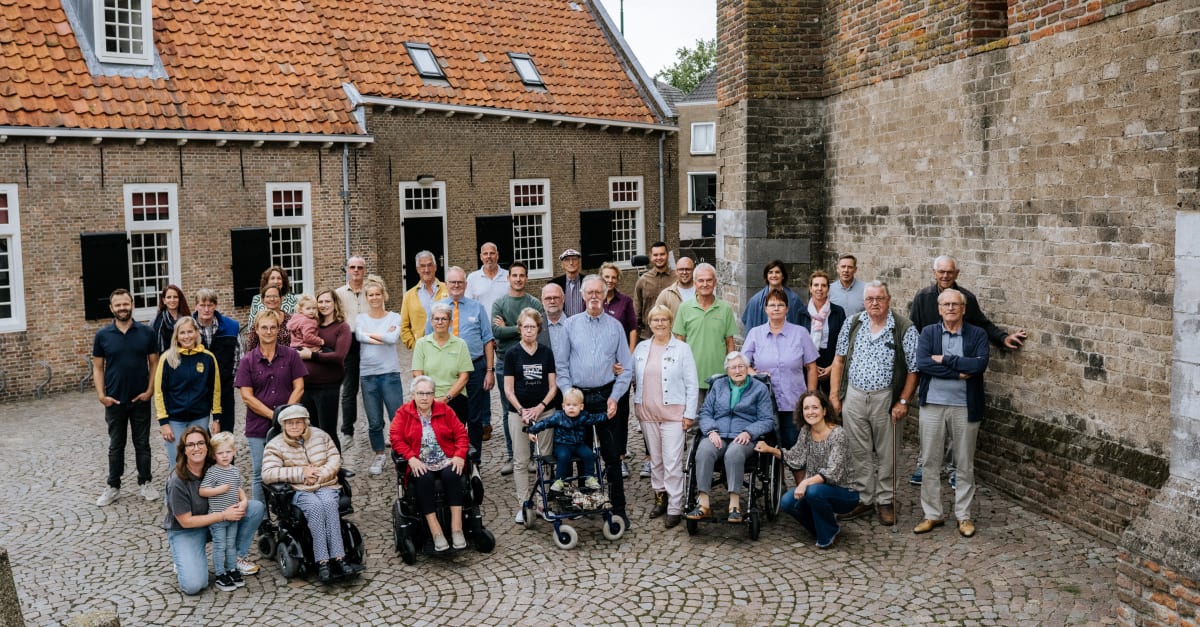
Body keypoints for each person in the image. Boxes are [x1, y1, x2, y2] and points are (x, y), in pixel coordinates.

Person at [906, 254, 1027, 486]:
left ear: (956, 274)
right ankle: (925, 464)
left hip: (957, 371)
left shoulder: (966, 299)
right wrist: (920, 361)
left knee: (956, 427)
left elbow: (982, 324)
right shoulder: (923, 298)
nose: (945, 276)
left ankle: (954, 469)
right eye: (941, 272)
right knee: (930, 426)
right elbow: (914, 331)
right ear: (934, 273)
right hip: (932, 370)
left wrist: (1003, 338)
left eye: (949, 272)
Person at [829, 280, 918, 526]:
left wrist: (903, 400)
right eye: (870, 299)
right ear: (864, 302)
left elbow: (914, 370)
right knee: (859, 451)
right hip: (855, 396)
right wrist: (836, 396)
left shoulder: (903, 328)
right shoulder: (853, 323)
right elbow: (838, 360)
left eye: (879, 298)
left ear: (888, 300)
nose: (874, 303)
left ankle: (886, 499)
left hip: (886, 399)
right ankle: (865, 498)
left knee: (888, 452)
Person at [555, 275, 634, 526]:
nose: (593, 297)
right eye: (589, 292)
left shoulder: (615, 327)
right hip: (577, 400)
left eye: (598, 292)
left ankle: (618, 507)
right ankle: (581, 501)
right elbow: (561, 365)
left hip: (605, 396)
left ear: (604, 293)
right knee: (581, 452)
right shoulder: (570, 325)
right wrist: (569, 394)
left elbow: (627, 368)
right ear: (582, 295)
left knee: (611, 455)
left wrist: (615, 397)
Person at [913, 288, 990, 538]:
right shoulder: (929, 332)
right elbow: (923, 363)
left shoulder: (977, 334)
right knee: (930, 461)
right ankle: (932, 514)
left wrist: (944, 359)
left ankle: (964, 516)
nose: (950, 308)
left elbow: (978, 365)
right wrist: (957, 370)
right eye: (946, 304)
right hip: (932, 404)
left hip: (965, 406)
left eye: (955, 305)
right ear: (939, 308)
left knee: (964, 463)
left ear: (963, 309)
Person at [261, 404, 363, 582]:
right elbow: (268, 473)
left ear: (305, 423)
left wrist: (319, 476)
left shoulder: (320, 436)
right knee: (315, 507)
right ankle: (322, 560)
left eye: (298, 422)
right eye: (289, 423)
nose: (294, 426)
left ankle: (339, 557)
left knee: (330, 505)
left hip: (325, 484)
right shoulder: (274, 445)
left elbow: (334, 458)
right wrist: (301, 474)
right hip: (298, 490)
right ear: (283, 425)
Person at [163, 426, 264, 595]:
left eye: (201, 443)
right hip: (188, 529)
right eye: (191, 445)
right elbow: (185, 521)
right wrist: (223, 515)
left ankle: (235, 557)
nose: (196, 448)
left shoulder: (215, 464)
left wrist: (244, 501)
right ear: (184, 450)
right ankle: (183, 558)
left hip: (218, 521)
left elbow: (235, 487)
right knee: (194, 585)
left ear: (208, 447)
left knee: (255, 508)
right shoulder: (177, 481)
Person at [755, 390, 858, 548]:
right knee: (787, 501)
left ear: (824, 410)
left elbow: (833, 472)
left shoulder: (838, 434)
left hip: (844, 491)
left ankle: (827, 536)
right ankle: (826, 528)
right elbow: (796, 458)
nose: (811, 412)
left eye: (815, 407)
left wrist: (805, 483)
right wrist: (770, 449)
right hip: (816, 488)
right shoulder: (806, 431)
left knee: (813, 492)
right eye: (806, 408)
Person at [684, 352, 775, 523]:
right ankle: (703, 504)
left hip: (743, 437)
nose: (738, 370)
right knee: (703, 451)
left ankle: (734, 505)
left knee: (734, 453)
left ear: (747, 368)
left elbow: (767, 420)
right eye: (733, 367)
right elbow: (705, 413)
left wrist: (749, 432)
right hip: (717, 434)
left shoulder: (759, 389)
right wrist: (711, 431)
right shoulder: (718, 386)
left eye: (741, 366)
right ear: (727, 370)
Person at [632, 304, 698, 529]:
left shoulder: (681, 349)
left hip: (673, 415)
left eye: (664, 320)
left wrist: (690, 414)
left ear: (671, 323)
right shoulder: (641, 348)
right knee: (656, 461)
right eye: (655, 320)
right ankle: (660, 497)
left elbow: (692, 383)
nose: (659, 324)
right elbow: (632, 376)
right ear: (649, 324)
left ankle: (675, 506)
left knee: (672, 462)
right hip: (648, 413)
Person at [93, 288, 160, 506]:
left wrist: (149, 391)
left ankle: (145, 482)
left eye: (126, 304)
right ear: (111, 308)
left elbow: (154, 363)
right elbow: (98, 367)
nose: (123, 308)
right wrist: (101, 395)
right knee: (116, 445)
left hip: (140, 398)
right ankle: (113, 486)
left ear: (132, 304)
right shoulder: (102, 335)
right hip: (114, 400)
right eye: (118, 305)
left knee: (142, 444)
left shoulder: (146, 333)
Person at [391, 375, 470, 552]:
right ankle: (436, 532)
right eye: (420, 393)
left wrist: (458, 455)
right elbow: (396, 438)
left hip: (446, 458)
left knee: (452, 474)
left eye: (428, 393)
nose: (424, 397)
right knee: (423, 479)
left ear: (434, 395)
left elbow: (461, 434)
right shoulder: (403, 413)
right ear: (413, 395)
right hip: (420, 462)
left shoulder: (444, 410)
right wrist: (411, 457)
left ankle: (457, 529)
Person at [234, 309, 306, 502]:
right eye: (264, 327)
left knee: (290, 469)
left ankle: (291, 514)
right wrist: (274, 416)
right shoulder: (247, 361)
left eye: (272, 327)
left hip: (289, 425)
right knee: (260, 473)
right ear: (256, 329)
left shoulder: (291, 355)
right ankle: (263, 520)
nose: (268, 331)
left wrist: (286, 415)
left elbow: (299, 387)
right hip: (258, 427)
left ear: (278, 329)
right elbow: (247, 397)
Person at [428, 267, 496, 468]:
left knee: (474, 417)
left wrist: (490, 371)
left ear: (465, 285)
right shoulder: (437, 309)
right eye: (452, 282)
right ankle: (452, 458)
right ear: (446, 285)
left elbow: (488, 340)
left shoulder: (477, 308)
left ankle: (474, 461)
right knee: (450, 416)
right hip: (448, 371)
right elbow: (427, 339)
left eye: (460, 282)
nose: (456, 286)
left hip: (475, 368)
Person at [742, 288, 819, 450]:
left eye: (780, 304)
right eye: (772, 305)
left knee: (796, 451)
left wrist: (811, 396)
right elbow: (742, 365)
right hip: (763, 404)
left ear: (787, 309)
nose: (776, 308)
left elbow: (812, 367)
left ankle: (802, 477)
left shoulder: (800, 333)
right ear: (765, 309)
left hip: (794, 403)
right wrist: (756, 375)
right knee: (766, 451)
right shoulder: (755, 334)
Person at [502, 308, 558, 523]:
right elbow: (508, 389)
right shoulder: (512, 354)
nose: (529, 330)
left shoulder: (546, 353)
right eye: (525, 326)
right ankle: (524, 504)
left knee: (543, 459)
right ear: (519, 329)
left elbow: (553, 386)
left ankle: (543, 503)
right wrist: (522, 411)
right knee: (521, 460)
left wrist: (540, 407)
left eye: (532, 327)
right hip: (519, 415)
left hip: (545, 413)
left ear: (538, 329)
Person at [491, 262, 544, 475]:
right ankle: (513, 456)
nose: (518, 279)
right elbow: (496, 332)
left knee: (532, 408)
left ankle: (533, 455)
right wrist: (522, 328)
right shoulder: (500, 303)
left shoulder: (533, 302)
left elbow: (538, 329)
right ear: (509, 278)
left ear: (527, 278)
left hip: (531, 361)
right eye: (515, 275)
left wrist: (510, 328)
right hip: (505, 362)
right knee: (509, 411)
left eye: (522, 275)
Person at [356, 275, 405, 475]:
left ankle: (401, 452)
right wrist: (382, 338)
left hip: (389, 373)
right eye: (371, 295)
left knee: (398, 416)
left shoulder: (394, 317)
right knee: (375, 421)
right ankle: (379, 455)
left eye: (377, 294)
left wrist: (371, 337)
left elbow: (393, 338)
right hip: (368, 375)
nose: (375, 298)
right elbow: (359, 336)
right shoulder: (361, 318)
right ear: (366, 297)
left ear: (383, 295)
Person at [153, 317, 219, 466]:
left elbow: (215, 390)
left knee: (199, 462)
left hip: (200, 418)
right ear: (176, 336)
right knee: (177, 463)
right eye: (182, 333)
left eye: (190, 331)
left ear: (196, 333)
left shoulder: (208, 358)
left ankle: (199, 490)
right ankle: (174, 490)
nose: (187, 336)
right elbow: (159, 392)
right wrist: (163, 422)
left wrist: (216, 418)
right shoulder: (167, 358)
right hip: (174, 420)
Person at [412, 303, 474, 458]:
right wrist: (431, 398)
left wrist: (446, 398)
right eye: (436, 319)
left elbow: (464, 376)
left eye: (444, 319)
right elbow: (417, 374)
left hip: (455, 398)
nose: (440, 322)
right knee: (429, 439)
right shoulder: (422, 344)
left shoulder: (460, 344)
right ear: (431, 321)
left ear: (450, 322)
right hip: (427, 397)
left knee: (453, 440)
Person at [298, 289, 352, 451]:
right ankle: (318, 467)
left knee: (327, 431)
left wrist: (311, 355)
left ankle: (336, 468)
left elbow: (339, 356)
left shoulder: (342, 327)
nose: (323, 305)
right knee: (310, 431)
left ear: (335, 303)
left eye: (327, 301)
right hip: (306, 387)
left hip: (327, 387)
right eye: (320, 302)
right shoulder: (312, 325)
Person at [672, 262, 738, 394]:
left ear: (715, 283)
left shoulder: (725, 309)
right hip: (692, 376)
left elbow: (729, 342)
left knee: (719, 414)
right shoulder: (684, 308)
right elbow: (680, 342)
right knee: (694, 414)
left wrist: (731, 368)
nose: (705, 284)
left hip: (719, 376)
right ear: (695, 283)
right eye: (701, 280)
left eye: (709, 280)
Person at [600, 261, 638, 478]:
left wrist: (628, 359)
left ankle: (621, 456)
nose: (610, 280)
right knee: (604, 412)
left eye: (613, 277)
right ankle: (605, 456)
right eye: (606, 276)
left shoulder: (625, 302)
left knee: (621, 412)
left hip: (620, 365)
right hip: (602, 367)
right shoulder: (595, 301)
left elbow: (632, 330)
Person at [528, 388, 605, 492]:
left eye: (574, 405)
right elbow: (545, 423)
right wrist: (532, 430)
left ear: (581, 407)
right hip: (562, 445)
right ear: (563, 406)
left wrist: (607, 415)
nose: (571, 408)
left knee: (589, 454)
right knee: (564, 456)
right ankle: (559, 480)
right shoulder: (559, 416)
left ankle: (589, 477)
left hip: (578, 444)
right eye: (568, 405)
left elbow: (595, 418)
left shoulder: (583, 416)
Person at [197, 432, 246, 591]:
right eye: (220, 453)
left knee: (231, 545)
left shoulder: (235, 471)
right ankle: (220, 574)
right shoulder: (213, 472)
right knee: (220, 545)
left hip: (233, 517)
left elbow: (238, 489)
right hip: (217, 517)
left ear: (234, 451)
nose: (224, 456)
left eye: (228, 452)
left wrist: (244, 501)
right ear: (214, 455)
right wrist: (218, 490)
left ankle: (232, 569)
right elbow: (203, 491)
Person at [192, 289, 239, 434]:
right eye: (202, 305)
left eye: (210, 305)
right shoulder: (187, 328)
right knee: (199, 432)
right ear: (196, 306)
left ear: (215, 306)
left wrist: (232, 379)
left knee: (225, 432)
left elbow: (238, 356)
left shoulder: (231, 326)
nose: (206, 309)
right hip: (197, 390)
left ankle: (226, 458)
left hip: (224, 388)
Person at [793, 270, 846, 396]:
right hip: (807, 361)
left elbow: (844, 341)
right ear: (810, 288)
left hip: (831, 360)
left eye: (823, 285)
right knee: (809, 398)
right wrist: (810, 366)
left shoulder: (838, 312)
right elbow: (795, 341)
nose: (819, 289)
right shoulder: (801, 312)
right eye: (816, 285)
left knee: (832, 400)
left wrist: (832, 366)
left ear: (828, 289)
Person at [336, 257, 369, 446]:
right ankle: (347, 430)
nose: (356, 270)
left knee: (371, 387)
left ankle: (376, 426)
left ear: (364, 270)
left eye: (360, 267)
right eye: (353, 267)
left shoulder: (371, 291)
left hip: (368, 341)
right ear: (347, 269)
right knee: (349, 389)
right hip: (349, 342)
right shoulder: (338, 293)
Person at [401, 251, 447, 349]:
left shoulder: (448, 290)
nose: (426, 270)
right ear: (418, 269)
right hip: (422, 350)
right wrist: (414, 345)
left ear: (435, 267)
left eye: (430, 265)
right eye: (422, 266)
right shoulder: (408, 296)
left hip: (446, 346)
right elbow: (403, 327)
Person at [741, 260, 804, 331]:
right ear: (766, 276)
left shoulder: (794, 299)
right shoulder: (755, 301)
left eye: (777, 272)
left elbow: (802, 322)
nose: (774, 275)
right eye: (770, 272)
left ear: (783, 276)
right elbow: (748, 322)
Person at [633, 241, 675, 341]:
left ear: (667, 255)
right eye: (655, 255)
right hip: (647, 335)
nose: (659, 258)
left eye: (662, 254)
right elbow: (637, 309)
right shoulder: (643, 280)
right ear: (651, 257)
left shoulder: (677, 279)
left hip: (672, 335)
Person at [466, 242, 510, 320]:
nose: (489, 256)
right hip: (481, 328)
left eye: (492, 253)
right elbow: (468, 304)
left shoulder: (508, 276)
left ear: (497, 255)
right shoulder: (472, 278)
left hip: (504, 327)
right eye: (485, 254)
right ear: (481, 257)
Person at [245, 285, 292, 351]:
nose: (272, 299)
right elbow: (251, 348)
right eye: (268, 296)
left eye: (275, 296)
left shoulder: (291, 320)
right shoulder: (258, 321)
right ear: (262, 300)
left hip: (290, 358)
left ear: (281, 299)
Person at [152, 284, 191, 354]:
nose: (172, 300)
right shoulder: (155, 322)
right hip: (165, 360)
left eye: (175, 297)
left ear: (179, 299)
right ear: (164, 300)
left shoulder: (188, 319)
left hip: (186, 358)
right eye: (169, 297)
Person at [549, 248, 585, 317]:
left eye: (574, 259)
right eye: (567, 260)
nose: (571, 263)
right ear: (562, 265)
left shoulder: (588, 281)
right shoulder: (554, 284)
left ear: (579, 263)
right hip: (563, 324)